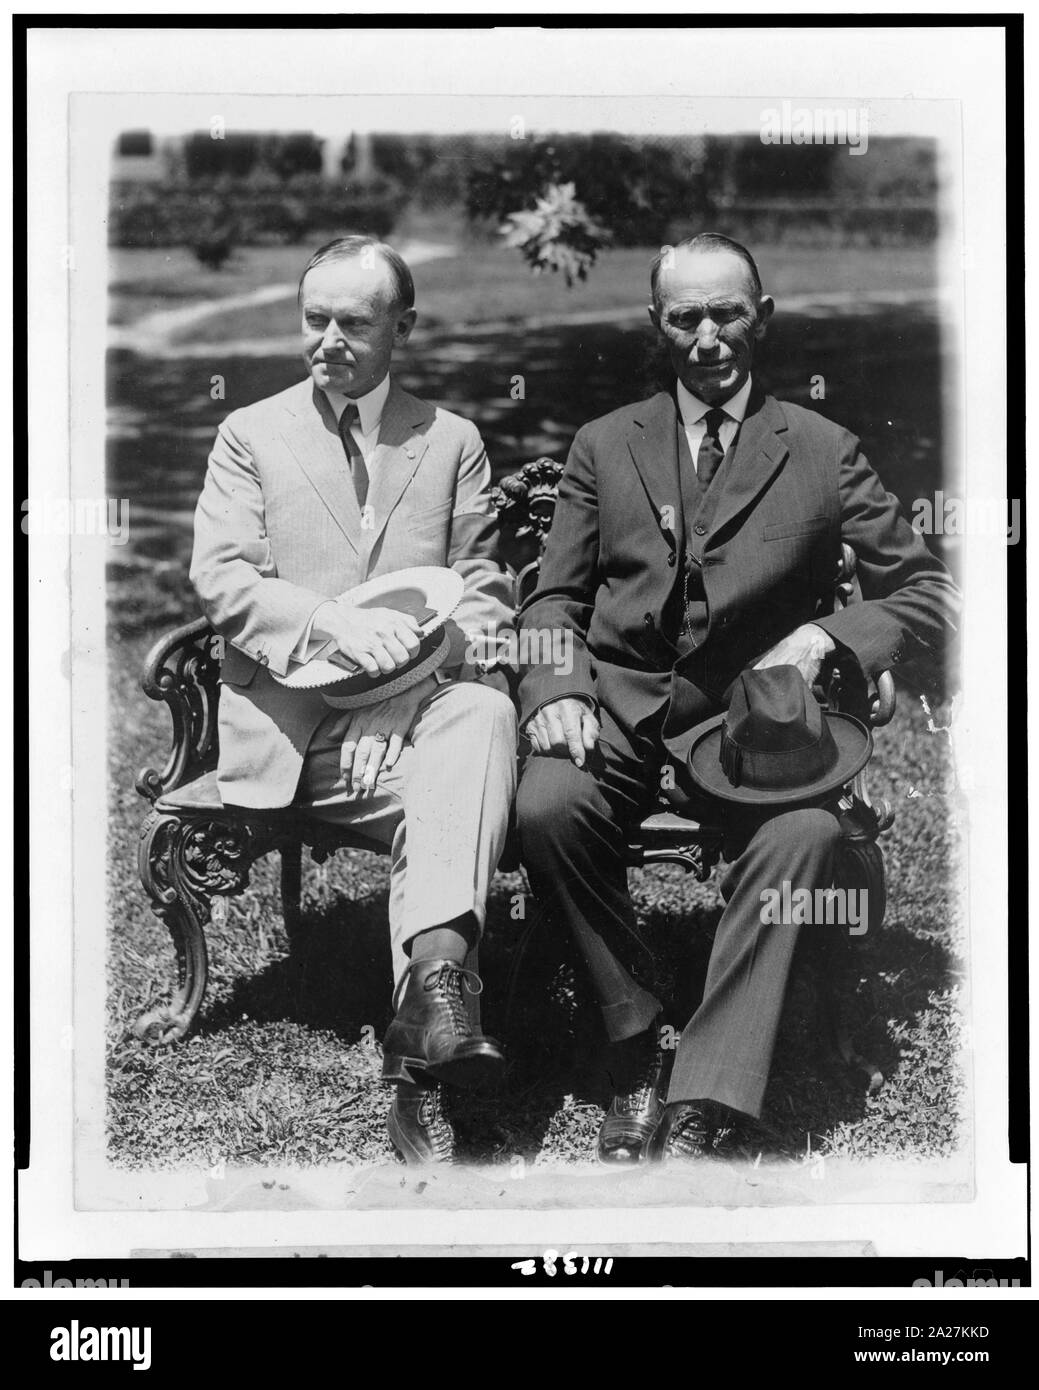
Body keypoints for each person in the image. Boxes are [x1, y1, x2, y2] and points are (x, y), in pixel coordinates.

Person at [515, 233, 960, 1164]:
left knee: (804, 835)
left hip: (756, 736)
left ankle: (705, 1091)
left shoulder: (822, 448)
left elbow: (928, 590)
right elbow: (553, 598)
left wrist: (827, 638)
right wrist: (555, 688)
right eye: (686, 317)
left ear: (762, 317)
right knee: (547, 807)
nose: (708, 337)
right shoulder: (605, 443)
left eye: (727, 313)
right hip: (619, 713)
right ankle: (631, 1040)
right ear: (657, 325)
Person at [191, 236, 517, 1164]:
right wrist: (329, 623)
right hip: (296, 735)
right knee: (462, 777)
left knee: (482, 713)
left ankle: (426, 1034)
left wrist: (404, 694)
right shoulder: (249, 434)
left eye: (353, 323)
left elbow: (483, 593)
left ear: (401, 328)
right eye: (314, 319)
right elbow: (223, 578)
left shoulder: (450, 441)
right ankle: (437, 1020)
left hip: (417, 719)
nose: (328, 340)